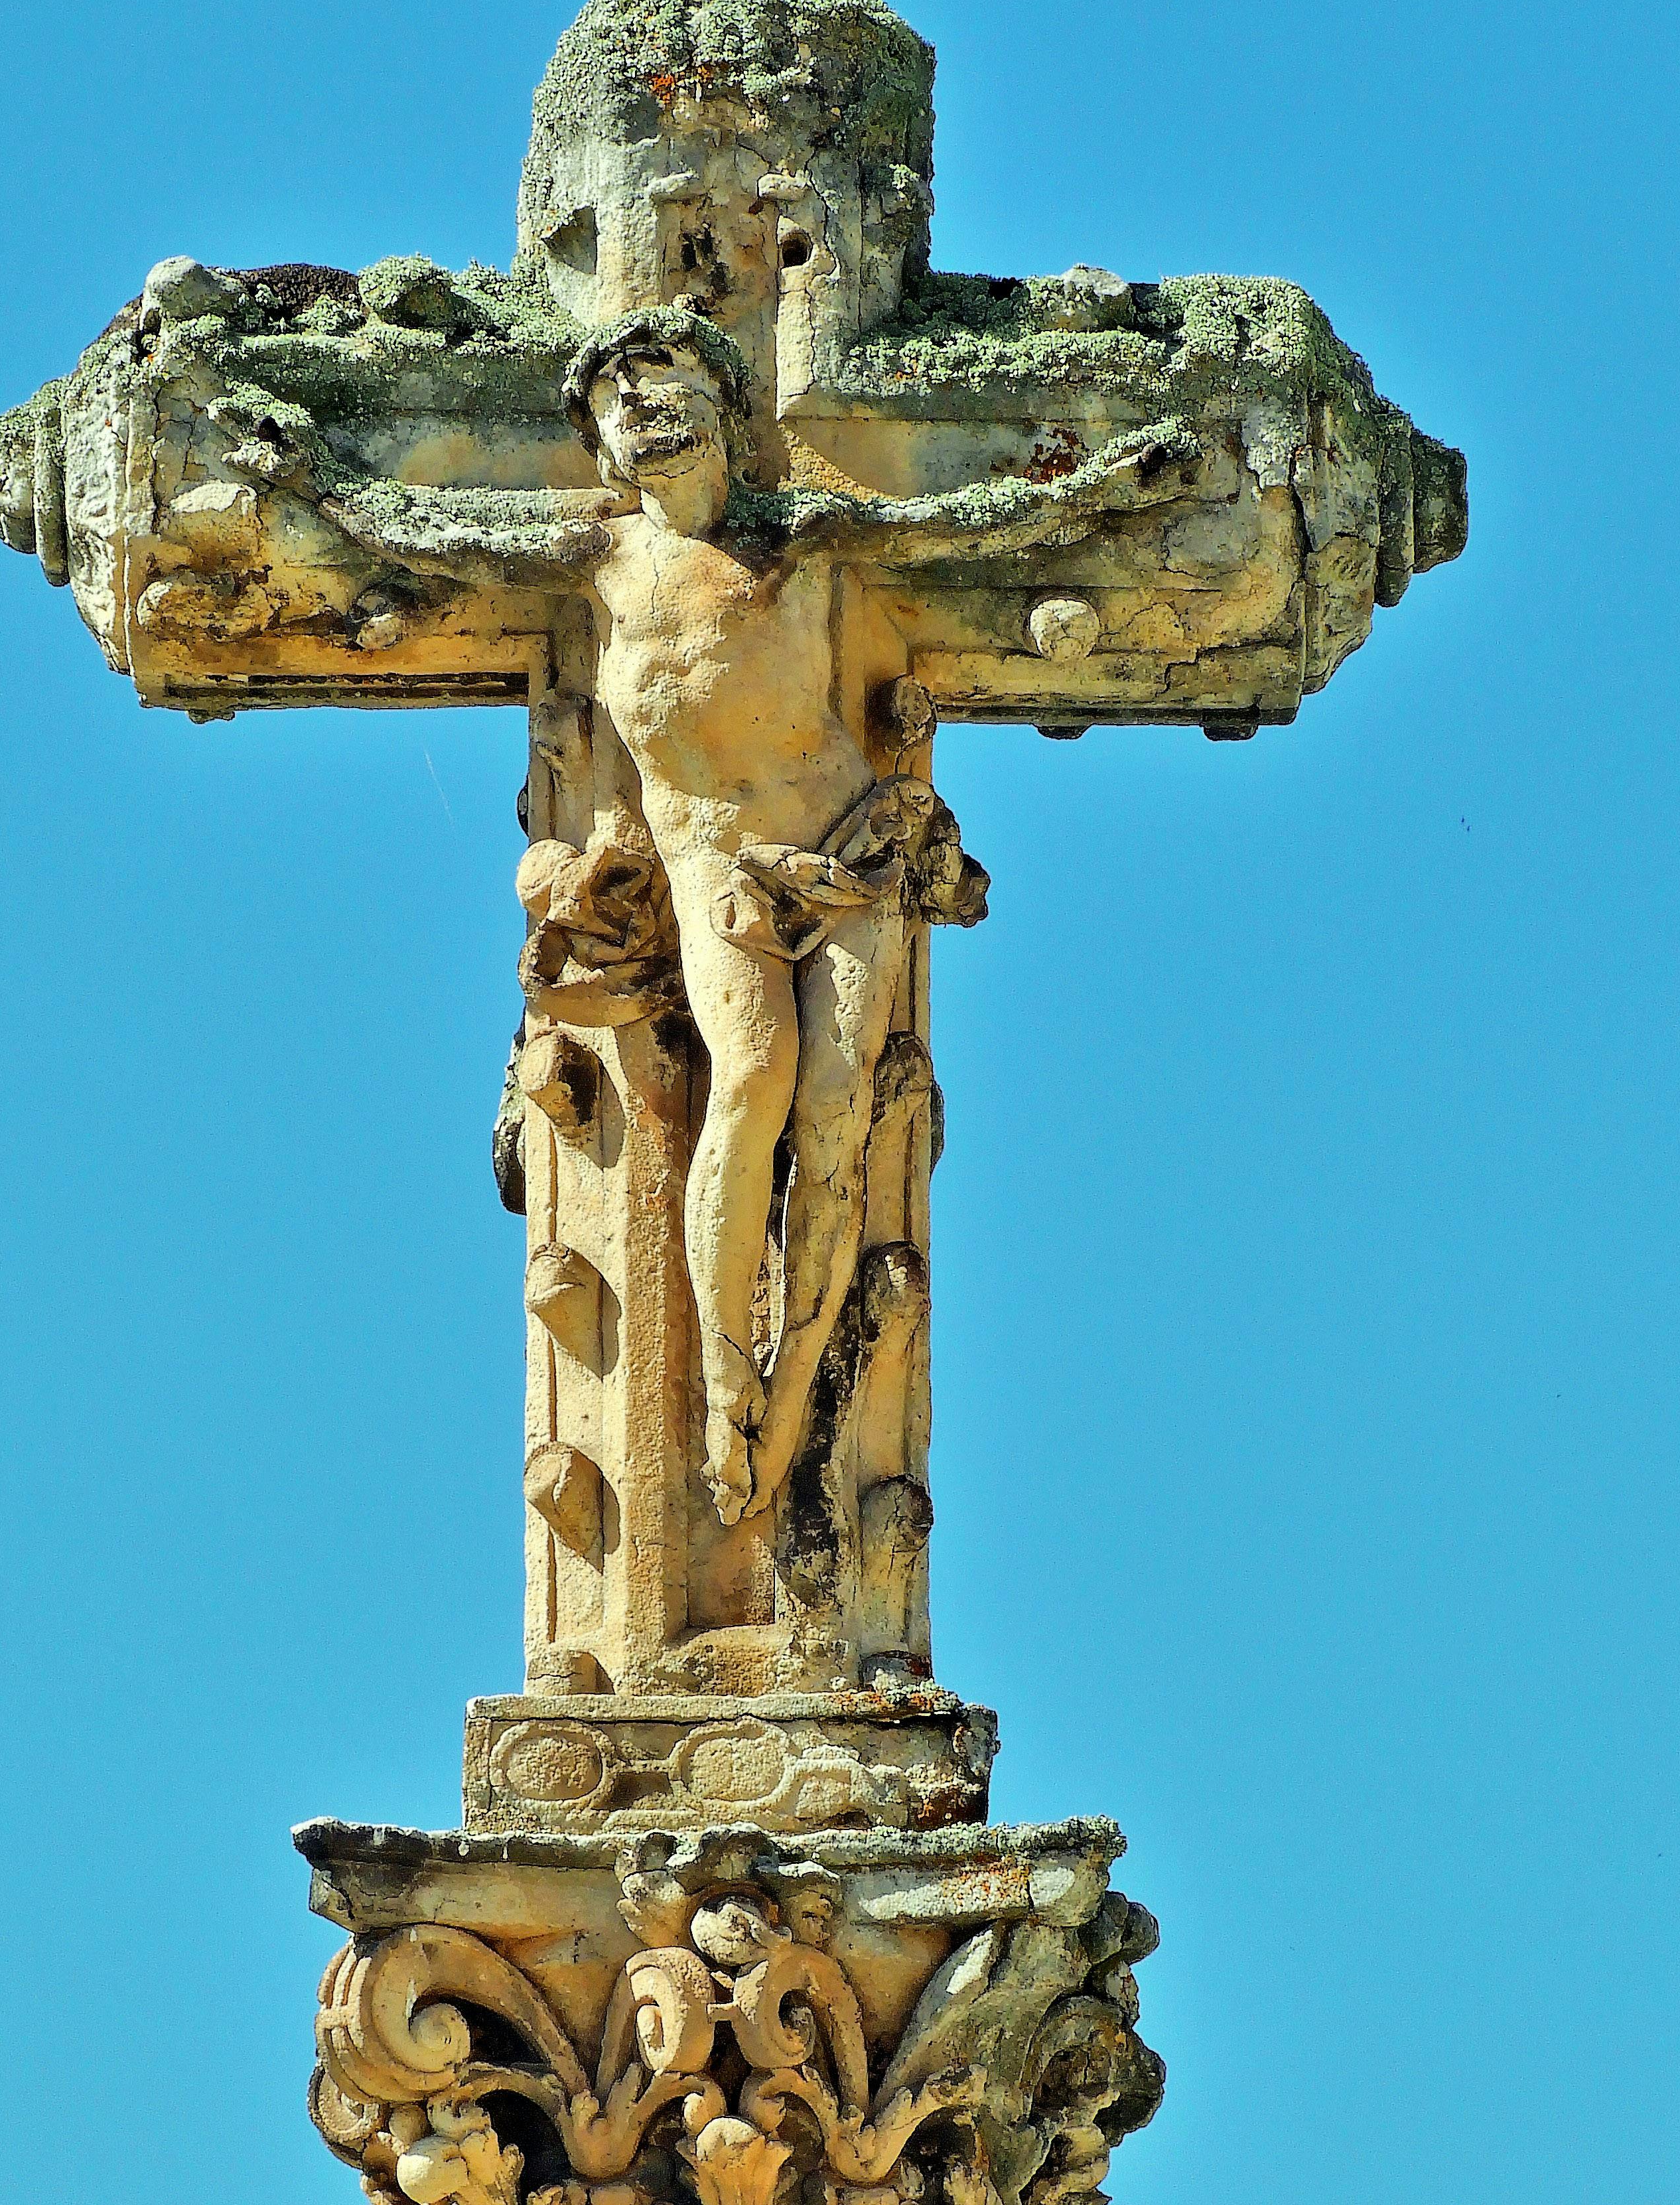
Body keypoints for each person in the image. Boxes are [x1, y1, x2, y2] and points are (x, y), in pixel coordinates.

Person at [314, 309, 1194, 1522]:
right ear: (602, 443)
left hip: (847, 853)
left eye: (665, 380)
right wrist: (287, 462)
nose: (643, 408)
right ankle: (729, 1368)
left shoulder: (807, 540)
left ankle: (787, 1398)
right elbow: (419, 527)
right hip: (715, 869)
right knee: (754, 1079)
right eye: (617, 399)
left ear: (725, 405)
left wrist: (1112, 481)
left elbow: (965, 521)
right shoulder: (599, 556)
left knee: (834, 1113)